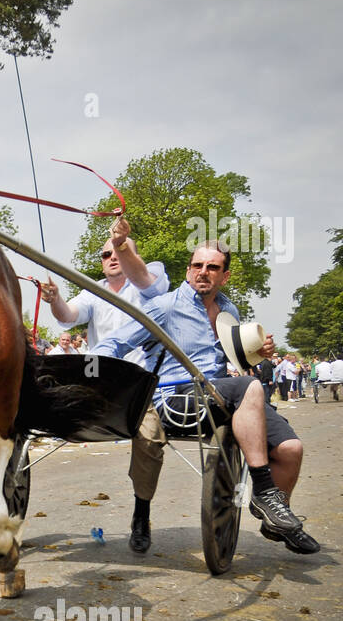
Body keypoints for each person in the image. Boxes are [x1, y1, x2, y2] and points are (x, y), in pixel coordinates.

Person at [94, 240, 319, 555]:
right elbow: (115, 343)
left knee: (291, 449)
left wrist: (258, 354)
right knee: (249, 387)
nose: (203, 273)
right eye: (197, 266)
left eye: (212, 267)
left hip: (222, 392)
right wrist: (93, 373)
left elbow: (236, 360)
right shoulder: (165, 306)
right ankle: (263, 491)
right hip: (177, 396)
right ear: (188, 271)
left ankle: (275, 519)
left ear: (224, 276)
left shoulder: (229, 309)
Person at [41, 218, 169, 554]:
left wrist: (122, 243)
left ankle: (141, 514)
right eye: (105, 254)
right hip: (98, 384)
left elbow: (142, 276)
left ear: (130, 250)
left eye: (117, 251)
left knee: (151, 441)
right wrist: (54, 299)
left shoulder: (150, 280)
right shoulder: (93, 291)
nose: (111, 257)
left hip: (138, 388)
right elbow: (68, 316)